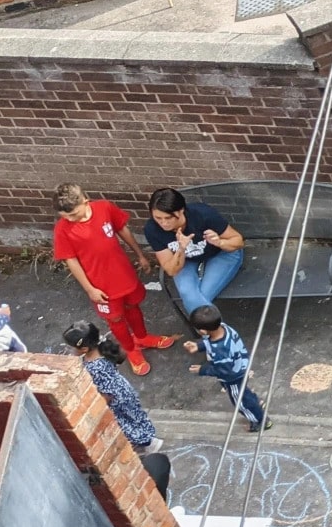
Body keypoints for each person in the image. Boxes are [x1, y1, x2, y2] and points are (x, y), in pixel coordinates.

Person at [53, 184, 177, 377]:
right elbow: (72, 261)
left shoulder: (104, 207)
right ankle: (130, 349)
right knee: (115, 318)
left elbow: (122, 229)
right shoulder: (63, 229)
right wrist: (90, 289)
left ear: (86, 202)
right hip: (100, 286)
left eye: (74, 215)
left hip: (123, 274)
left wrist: (140, 254)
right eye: (65, 216)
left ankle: (142, 338)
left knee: (133, 307)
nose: (69, 219)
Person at [144, 187, 246, 316]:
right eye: (158, 218)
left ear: (181, 211)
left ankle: (211, 333)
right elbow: (171, 269)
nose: (163, 223)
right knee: (188, 292)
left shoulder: (203, 215)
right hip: (186, 259)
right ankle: (216, 333)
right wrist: (181, 248)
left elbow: (238, 241)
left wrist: (219, 242)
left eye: (168, 217)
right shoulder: (152, 229)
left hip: (220, 253)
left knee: (202, 295)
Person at [62, 322, 160, 453]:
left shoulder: (94, 367)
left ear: (84, 349)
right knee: (135, 415)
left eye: (71, 346)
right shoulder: (103, 348)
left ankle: (146, 443)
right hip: (122, 389)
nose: (69, 349)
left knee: (124, 423)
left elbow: (105, 394)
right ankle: (148, 437)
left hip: (115, 399)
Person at [184, 304, 268, 432]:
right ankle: (256, 402)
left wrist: (202, 370)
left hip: (232, 377)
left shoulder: (220, 351)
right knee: (244, 392)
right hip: (240, 365)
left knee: (240, 402)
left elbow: (223, 370)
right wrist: (199, 346)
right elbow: (210, 341)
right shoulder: (223, 327)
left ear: (203, 331)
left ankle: (260, 421)